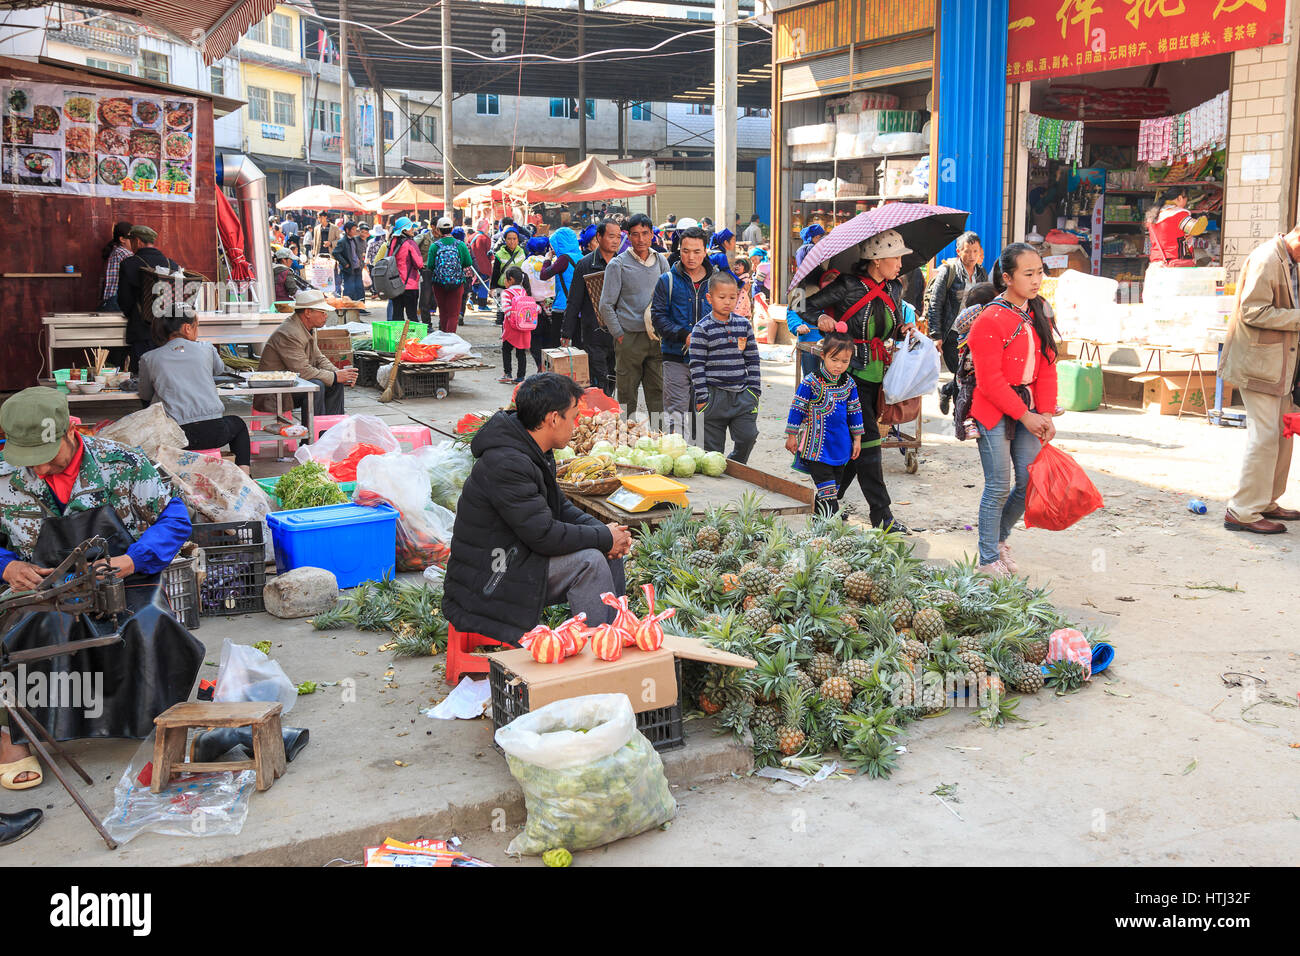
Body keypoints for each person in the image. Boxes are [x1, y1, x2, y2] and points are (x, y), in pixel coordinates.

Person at [0, 387, 201, 784]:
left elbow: (176, 519)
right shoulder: (3, 479)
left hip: (125, 581)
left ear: (69, 431)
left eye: (44, 458)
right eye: (28, 461)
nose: (38, 471)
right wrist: (7, 567)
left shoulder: (121, 463)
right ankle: (14, 736)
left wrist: (133, 560)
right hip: (43, 586)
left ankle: (158, 721)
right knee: (22, 635)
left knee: (148, 625)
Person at [442, 373, 632, 645]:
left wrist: (605, 532)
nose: (577, 425)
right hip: (492, 576)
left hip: (518, 556)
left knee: (607, 551)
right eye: (574, 417)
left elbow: (560, 507)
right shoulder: (506, 463)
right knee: (590, 561)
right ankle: (598, 655)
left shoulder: (532, 449)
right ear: (553, 419)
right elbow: (543, 535)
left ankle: (612, 637)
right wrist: (603, 538)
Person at [803, 228, 919, 530]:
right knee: (868, 445)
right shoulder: (847, 285)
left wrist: (902, 330)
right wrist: (821, 320)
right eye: (896, 257)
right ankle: (883, 517)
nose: (900, 264)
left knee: (858, 449)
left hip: (879, 376)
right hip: (849, 377)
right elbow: (801, 303)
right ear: (878, 260)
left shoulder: (895, 289)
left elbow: (887, 327)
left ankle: (825, 509)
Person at [968, 243, 1059, 576]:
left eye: (1040, 272)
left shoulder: (1041, 312)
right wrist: (1028, 417)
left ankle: (999, 541)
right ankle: (987, 559)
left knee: (1029, 482)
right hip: (993, 410)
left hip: (1031, 410)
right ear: (1007, 277)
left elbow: (1048, 365)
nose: (1037, 280)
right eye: (1029, 273)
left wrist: (1045, 413)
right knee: (998, 485)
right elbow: (990, 382)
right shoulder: (989, 319)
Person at [1220, 223, 1300, 534]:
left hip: (1282, 365)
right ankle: (1242, 510)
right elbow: (1252, 311)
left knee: (1282, 435)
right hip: (1259, 364)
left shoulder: (1290, 261)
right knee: (1264, 437)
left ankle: (1265, 500)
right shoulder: (1267, 258)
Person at [138, 306, 252, 474]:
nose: (197, 332)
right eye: (197, 326)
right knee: (239, 425)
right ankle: (245, 475)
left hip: (176, 436)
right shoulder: (206, 348)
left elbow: (146, 396)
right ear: (187, 328)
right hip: (214, 432)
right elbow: (219, 370)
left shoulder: (149, 358)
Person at [785, 330, 864, 516]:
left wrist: (858, 440)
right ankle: (831, 527)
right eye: (834, 360)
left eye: (845, 361)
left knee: (830, 492)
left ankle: (818, 530)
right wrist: (791, 436)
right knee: (828, 493)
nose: (839, 366)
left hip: (841, 448)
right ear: (823, 356)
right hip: (816, 450)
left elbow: (855, 412)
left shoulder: (849, 384)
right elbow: (797, 409)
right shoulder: (810, 382)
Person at [599, 213, 669, 417]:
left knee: (658, 392)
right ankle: (625, 440)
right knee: (627, 395)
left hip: (656, 339)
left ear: (652, 235)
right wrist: (620, 335)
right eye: (635, 234)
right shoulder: (618, 265)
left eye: (645, 234)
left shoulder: (661, 262)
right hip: (629, 339)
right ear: (628, 237)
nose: (641, 239)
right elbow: (606, 305)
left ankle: (660, 438)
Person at [689, 272, 761, 463]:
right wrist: (703, 397)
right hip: (713, 396)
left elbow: (752, 359)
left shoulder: (744, 325)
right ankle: (719, 476)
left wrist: (754, 392)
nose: (727, 302)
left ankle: (736, 464)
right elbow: (696, 366)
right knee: (711, 454)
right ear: (709, 298)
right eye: (722, 297)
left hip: (742, 395)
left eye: (732, 297)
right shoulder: (702, 329)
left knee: (748, 436)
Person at [651, 225, 713, 436]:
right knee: (676, 417)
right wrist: (683, 335)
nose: (691, 256)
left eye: (697, 251)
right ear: (679, 251)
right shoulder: (666, 281)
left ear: (706, 251)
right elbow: (657, 317)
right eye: (686, 251)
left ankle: (701, 461)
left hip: (710, 362)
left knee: (704, 415)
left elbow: (728, 315)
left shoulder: (717, 282)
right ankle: (676, 459)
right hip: (675, 357)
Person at [257, 289, 359, 417]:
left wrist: (340, 375)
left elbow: (319, 358)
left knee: (334, 384)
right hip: (274, 392)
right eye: (322, 312)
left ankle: (330, 431)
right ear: (308, 313)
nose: (325, 316)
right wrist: (334, 376)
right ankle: (313, 434)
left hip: (292, 385)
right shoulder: (289, 333)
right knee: (317, 385)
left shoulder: (308, 327)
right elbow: (303, 371)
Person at [924, 231, 989, 412]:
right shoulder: (948, 272)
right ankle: (958, 412)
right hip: (952, 332)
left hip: (974, 333)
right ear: (959, 251)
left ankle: (948, 393)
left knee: (968, 373)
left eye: (975, 251)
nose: (971, 256)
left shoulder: (982, 274)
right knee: (959, 371)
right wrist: (936, 335)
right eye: (967, 251)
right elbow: (936, 304)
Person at [562, 220, 622, 395]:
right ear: (599, 237)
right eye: (611, 236)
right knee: (599, 381)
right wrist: (566, 333)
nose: (615, 241)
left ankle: (608, 414)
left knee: (613, 378)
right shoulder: (585, 265)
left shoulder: (623, 263)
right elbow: (574, 301)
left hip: (619, 334)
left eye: (618, 237)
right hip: (593, 334)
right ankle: (601, 413)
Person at [117, 225, 181, 364]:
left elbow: (124, 300)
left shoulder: (129, 264)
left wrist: (135, 314)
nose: (131, 245)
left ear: (138, 241)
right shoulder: (172, 264)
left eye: (132, 241)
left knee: (143, 375)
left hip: (142, 331)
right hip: (168, 331)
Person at [425, 216, 473, 334]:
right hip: (457, 283)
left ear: (438, 230)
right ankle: (450, 339)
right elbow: (468, 262)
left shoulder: (435, 246)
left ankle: (443, 338)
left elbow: (430, 266)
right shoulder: (460, 245)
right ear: (451, 229)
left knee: (443, 312)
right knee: (453, 314)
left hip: (438, 284)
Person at [1146, 186, 1208, 269]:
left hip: (1157, 264)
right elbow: (1196, 229)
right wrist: (1204, 218)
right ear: (1180, 198)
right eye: (1186, 198)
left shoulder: (1154, 214)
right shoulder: (1178, 213)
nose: (1186, 202)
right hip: (1175, 265)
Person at [498, 267, 538, 384]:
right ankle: (520, 377)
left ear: (510, 280)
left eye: (505, 279)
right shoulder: (524, 292)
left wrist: (512, 319)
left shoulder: (507, 293)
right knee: (521, 353)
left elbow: (506, 309)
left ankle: (507, 373)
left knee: (506, 350)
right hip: (524, 328)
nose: (505, 281)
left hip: (511, 328)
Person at [545, 226, 581, 347]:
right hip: (579, 308)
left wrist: (547, 260)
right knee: (578, 346)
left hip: (562, 307)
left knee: (556, 346)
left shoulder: (563, 259)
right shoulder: (582, 257)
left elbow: (544, 275)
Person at [522, 236, 558, 350]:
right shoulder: (552, 262)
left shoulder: (526, 264)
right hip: (551, 304)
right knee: (549, 337)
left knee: (535, 336)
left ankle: (538, 362)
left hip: (533, 305)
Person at [389, 217, 423, 324]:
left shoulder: (393, 242)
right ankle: (413, 339)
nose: (413, 229)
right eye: (410, 228)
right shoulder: (410, 243)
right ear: (404, 230)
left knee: (397, 315)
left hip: (396, 284)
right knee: (412, 315)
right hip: (410, 285)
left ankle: (397, 338)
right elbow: (419, 264)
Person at [491, 228, 527, 325]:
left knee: (517, 311)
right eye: (509, 239)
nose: (512, 241)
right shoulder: (499, 254)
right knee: (503, 311)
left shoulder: (523, 252)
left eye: (514, 239)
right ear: (505, 240)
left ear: (518, 240)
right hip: (502, 287)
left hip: (519, 288)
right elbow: (495, 272)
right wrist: (492, 288)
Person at [99, 220, 133, 312]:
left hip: (110, 300)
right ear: (122, 239)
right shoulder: (124, 253)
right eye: (132, 238)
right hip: (116, 301)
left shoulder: (116, 251)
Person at [332, 221, 363, 301]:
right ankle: (348, 307)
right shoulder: (342, 241)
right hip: (349, 270)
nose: (355, 231)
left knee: (359, 288)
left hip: (357, 268)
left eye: (355, 229)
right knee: (349, 289)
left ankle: (360, 307)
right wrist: (345, 263)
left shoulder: (355, 240)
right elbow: (335, 253)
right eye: (353, 229)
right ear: (347, 230)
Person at [468, 222, 492, 310]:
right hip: (484, 265)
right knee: (484, 283)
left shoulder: (471, 237)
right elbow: (489, 253)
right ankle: (482, 305)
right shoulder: (485, 238)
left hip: (472, 265)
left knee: (474, 283)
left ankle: (471, 300)